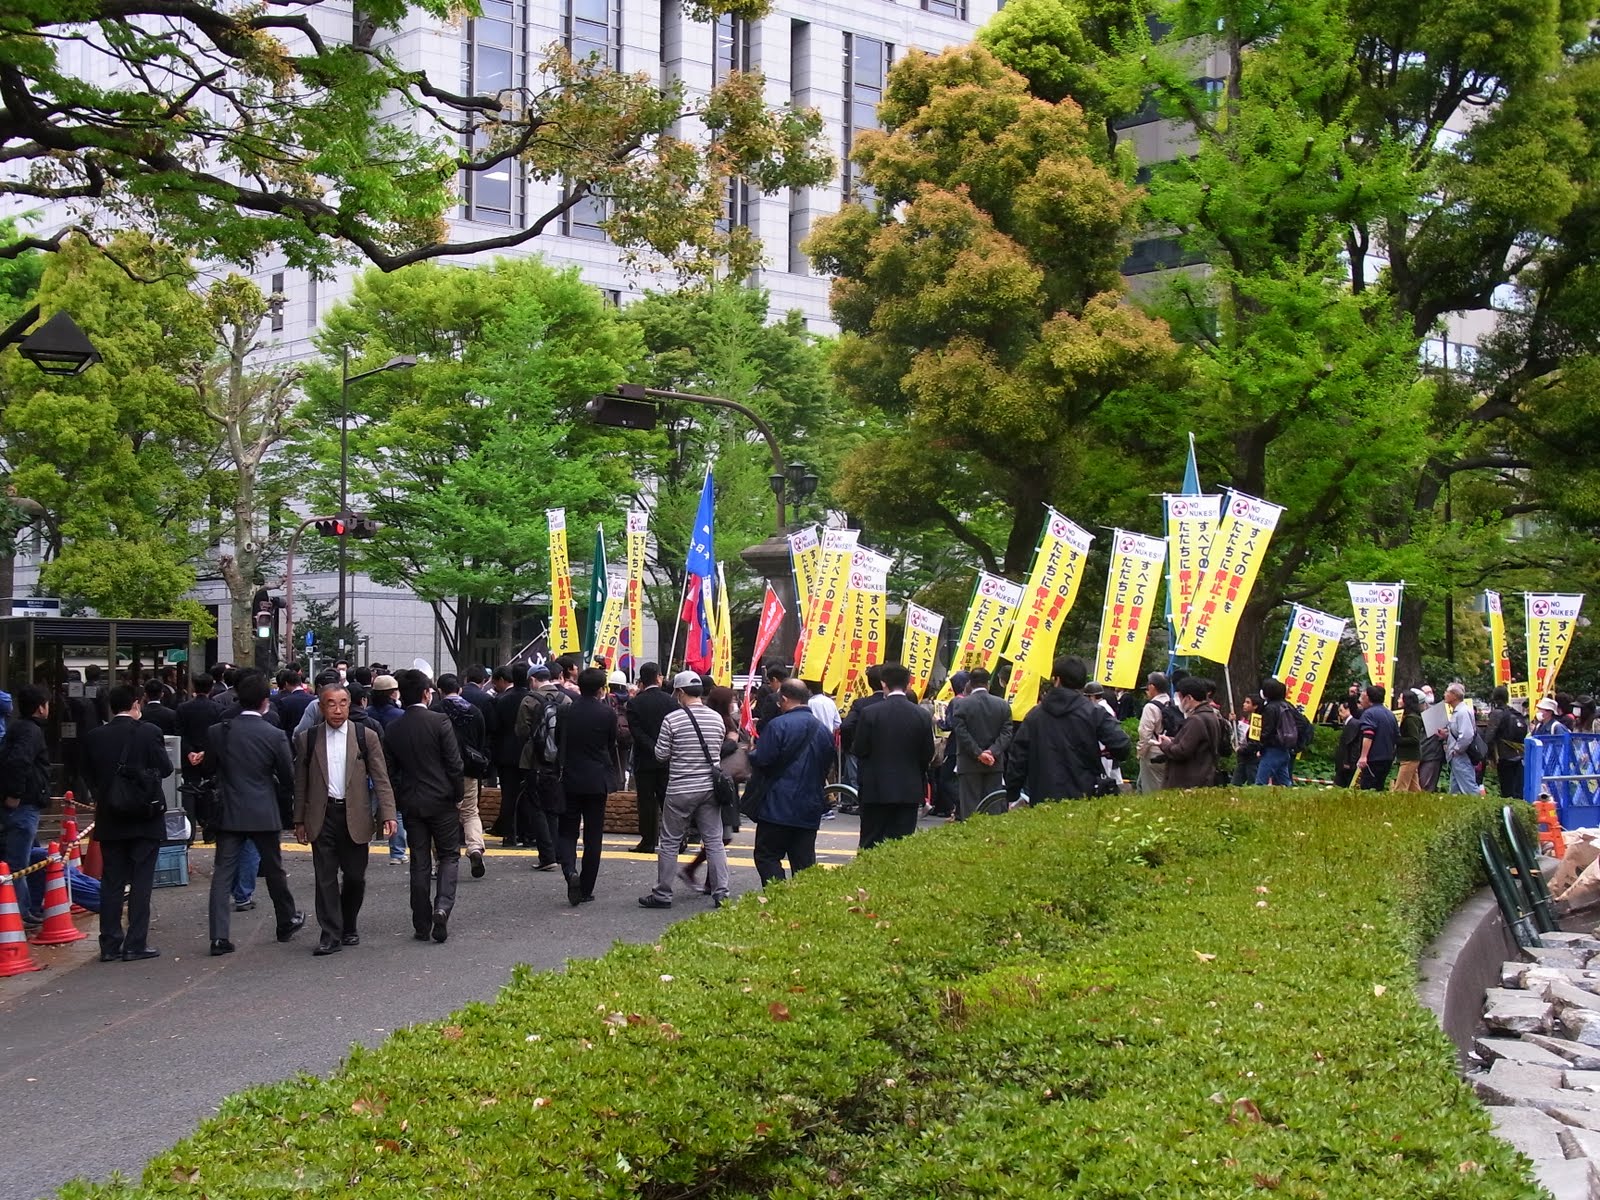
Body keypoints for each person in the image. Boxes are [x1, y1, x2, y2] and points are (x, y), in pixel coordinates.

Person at [196, 672, 303, 956]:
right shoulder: (274, 734)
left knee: (222, 873)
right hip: (262, 809)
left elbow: (208, 770)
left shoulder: (218, 731)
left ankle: (219, 936)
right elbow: (288, 777)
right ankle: (286, 919)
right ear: (265, 702)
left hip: (229, 810)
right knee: (274, 868)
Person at [292, 682, 397, 954]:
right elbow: (301, 781)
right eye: (330, 704)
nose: (337, 710)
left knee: (354, 878)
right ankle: (330, 934)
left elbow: (381, 778)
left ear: (351, 705)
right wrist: (299, 820)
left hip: (356, 815)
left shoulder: (366, 736)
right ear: (321, 706)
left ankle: (348, 923)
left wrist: (387, 813)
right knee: (324, 877)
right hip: (322, 815)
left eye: (342, 704)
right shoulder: (309, 738)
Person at [638, 671, 733, 909]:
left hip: (680, 788)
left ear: (680, 692)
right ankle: (721, 892)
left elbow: (661, 754)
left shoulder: (673, 719)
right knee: (714, 841)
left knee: (670, 841)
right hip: (710, 788)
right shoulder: (716, 719)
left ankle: (663, 894)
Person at [384, 670, 465, 943]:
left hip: (411, 801)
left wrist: (400, 795)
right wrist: (458, 794)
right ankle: (443, 906)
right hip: (442, 799)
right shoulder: (440, 721)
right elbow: (454, 764)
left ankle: (421, 921)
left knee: (419, 859)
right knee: (449, 855)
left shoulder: (394, 729)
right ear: (425, 694)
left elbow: (390, 771)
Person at [1005, 655, 1131, 802]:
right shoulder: (1093, 712)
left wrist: (1012, 793)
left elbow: (1018, 758)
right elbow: (1122, 745)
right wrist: (1108, 753)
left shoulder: (1034, 716)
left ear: (1056, 679)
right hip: (1085, 793)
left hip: (1043, 795)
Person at [749, 678, 836, 884]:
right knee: (804, 862)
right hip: (810, 805)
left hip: (776, 804)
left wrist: (752, 752)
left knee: (767, 855)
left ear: (784, 699)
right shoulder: (823, 730)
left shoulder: (777, 725)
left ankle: (778, 896)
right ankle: (802, 904)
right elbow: (826, 766)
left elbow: (763, 759)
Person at [853, 662, 936, 850]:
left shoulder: (870, 713)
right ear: (908, 684)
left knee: (871, 842)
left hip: (875, 788)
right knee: (902, 844)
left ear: (883, 683)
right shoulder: (921, 715)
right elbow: (927, 753)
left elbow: (859, 749)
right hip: (909, 789)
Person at [554, 668, 618, 906]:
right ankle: (586, 886)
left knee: (568, 831)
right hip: (597, 779)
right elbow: (610, 744)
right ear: (601, 688)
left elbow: (559, 741)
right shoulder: (607, 714)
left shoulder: (566, 711)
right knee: (593, 835)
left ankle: (570, 872)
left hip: (569, 777)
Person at [1, 685, 52, 927]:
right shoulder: (30, 732)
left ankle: (29, 907)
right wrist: (15, 793)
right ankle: (20, 913)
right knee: (17, 863)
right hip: (24, 805)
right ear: (41, 706)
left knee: (31, 857)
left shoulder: (19, 728)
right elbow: (18, 761)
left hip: (25, 803)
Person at [435, 674, 489, 880]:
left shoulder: (436, 711)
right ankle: (475, 847)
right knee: (470, 812)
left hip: (440, 772)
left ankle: (441, 859)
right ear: (459, 689)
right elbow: (482, 742)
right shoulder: (474, 711)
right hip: (468, 769)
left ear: (439, 691)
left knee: (439, 815)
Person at [948, 667, 1013, 819]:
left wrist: (978, 753)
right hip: (994, 763)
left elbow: (961, 733)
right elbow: (1006, 732)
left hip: (968, 763)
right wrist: (992, 752)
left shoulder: (961, 705)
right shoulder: (1002, 705)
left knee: (970, 809)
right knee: (993, 808)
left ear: (970, 683)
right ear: (988, 683)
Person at [518, 665, 566, 872]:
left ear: (532, 680)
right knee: (553, 808)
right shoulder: (567, 700)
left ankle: (546, 856)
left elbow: (520, 731)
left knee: (537, 808)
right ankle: (557, 852)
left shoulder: (529, 700)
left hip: (534, 762)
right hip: (558, 764)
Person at [626, 663, 678, 854]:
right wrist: (664, 749)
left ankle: (648, 841)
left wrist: (653, 747)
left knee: (646, 802)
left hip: (645, 759)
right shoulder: (671, 701)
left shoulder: (634, 703)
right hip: (668, 760)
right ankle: (677, 840)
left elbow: (636, 732)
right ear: (658, 677)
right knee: (669, 801)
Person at [1156, 677, 1227, 789]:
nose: (1179, 701)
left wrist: (1165, 745)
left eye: (1180, 697)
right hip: (1204, 775)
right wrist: (1174, 741)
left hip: (1188, 780)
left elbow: (1182, 751)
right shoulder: (1211, 715)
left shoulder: (1196, 720)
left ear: (1189, 697)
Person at [490, 665, 530, 847]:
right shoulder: (533, 699)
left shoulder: (501, 699)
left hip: (505, 753)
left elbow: (494, 728)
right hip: (528, 754)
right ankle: (526, 833)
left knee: (508, 795)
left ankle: (509, 835)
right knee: (529, 795)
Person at [1484, 686, 1528, 800]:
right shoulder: (1514, 712)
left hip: (1504, 756)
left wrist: (1487, 756)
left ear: (1494, 697)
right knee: (1517, 790)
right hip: (1518, 755)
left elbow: (1489, 736)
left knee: (1507, 791)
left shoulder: (1497, 713)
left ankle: (1509, 814)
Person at [1353, 684, 1399, 790]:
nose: (1361, 700)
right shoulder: (1390, 714)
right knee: (1379, 786)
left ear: (1368, 698)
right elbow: (1396, 736)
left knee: (1368, 788)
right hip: (1387, 757)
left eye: (1363, 697)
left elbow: (1368, 735)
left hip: (1373, 758)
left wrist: (1364, 756)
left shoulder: (1369, 714)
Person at [1438, 682, 1479, 794]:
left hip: (1461, 755)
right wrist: (1446, 735)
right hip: (1457, 756)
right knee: (1455, 789)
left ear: (1454, 695)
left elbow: (1467, 735)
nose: (1445, 694)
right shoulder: (1458, 711)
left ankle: (1480, 808)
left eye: (1447, 692)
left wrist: (1457, 749)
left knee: (1469, 788)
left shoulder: (1462, 712)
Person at [1135, 672, 1173, 793]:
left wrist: (1140, 752)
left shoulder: (1150, 707)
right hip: (1170, 750)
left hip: (1153, 752)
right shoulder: (1172, 703)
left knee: (1151, 791)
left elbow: (1144, 734)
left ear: (1152, 687)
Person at [1254, 678, 1296, 787]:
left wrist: (1260, 747)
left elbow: (1267, 731)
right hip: (1284, 748)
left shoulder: (1270, 708)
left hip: (1272, 749)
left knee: (1260, 783)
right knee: (1284, 783)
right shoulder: (1287, 705)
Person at [1392, 689, 1426, 792]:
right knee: (1413, 788)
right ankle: (1421, 804)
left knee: (1400, 787)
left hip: (1409, 757)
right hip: (1408, 756)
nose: (1398, 700)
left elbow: (1414, 739)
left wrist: (1397, 739)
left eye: (1400, 698)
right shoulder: (1408, 717)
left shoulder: (1411, 719)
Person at [1417, 689, 1446, 792]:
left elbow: (1443, 733)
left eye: (1430, 692)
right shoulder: (1413, 713)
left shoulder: (1435, 712)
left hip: (1431, 755)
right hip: (1417, 755)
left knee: (1426, 786)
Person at [1330, 698, 1361, 788]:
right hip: (1344, 761)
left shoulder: (1353, 724)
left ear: (1348, 710)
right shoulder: (1349, 723)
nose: (1339, 714)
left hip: (1347, 762)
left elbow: (1352, 745)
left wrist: (1348, 762)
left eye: (1341, 710)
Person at [1231, 695, 1261, 786]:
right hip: (1243, 756)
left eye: (1248, 702)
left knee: (1252, 781)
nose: (1244, 704)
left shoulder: (1257, 720)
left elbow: (1254, 741)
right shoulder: (1245, 719)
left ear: (1255, 706)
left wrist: (1242, 749)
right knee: (1235, 783)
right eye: (1245, 702)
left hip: (1251, 756)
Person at [753, 665, 788, 734]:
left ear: (774, 680)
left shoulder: (773, 698)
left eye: (769, 682)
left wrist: (759, 723)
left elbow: (765, 722)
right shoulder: (796, 694)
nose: (770, 686)